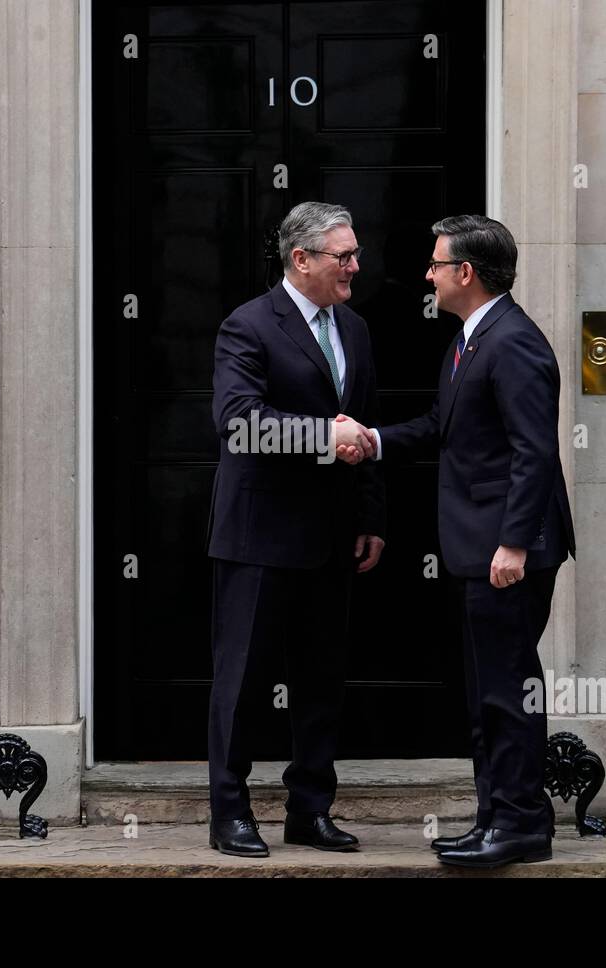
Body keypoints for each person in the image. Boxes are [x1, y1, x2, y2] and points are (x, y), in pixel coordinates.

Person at [340, 215, 575, 868]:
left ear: (465, 273)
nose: (428, 274)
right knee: (485, 695)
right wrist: (375, 439)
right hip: (480, 546)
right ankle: (494, 818)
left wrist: (516, 545)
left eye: (437, 263)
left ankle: (523, 826)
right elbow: (444, 425)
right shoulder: (472, 339)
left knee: (507, 692)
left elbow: (534, 454)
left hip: (506, 552)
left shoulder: (513, 342)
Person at [206, 201, 385, 857]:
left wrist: (370, 518)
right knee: (242, 683)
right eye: (344, 255)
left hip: (333, 535)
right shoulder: (247, 326)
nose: (356, 266)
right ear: (301, 259)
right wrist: (321, 436)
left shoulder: (357, 329)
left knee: (321, 683)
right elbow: (238, 422)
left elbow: (363, 424)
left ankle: (310, 811)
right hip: (258, 534)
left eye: (356, 253)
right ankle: (230, 814)